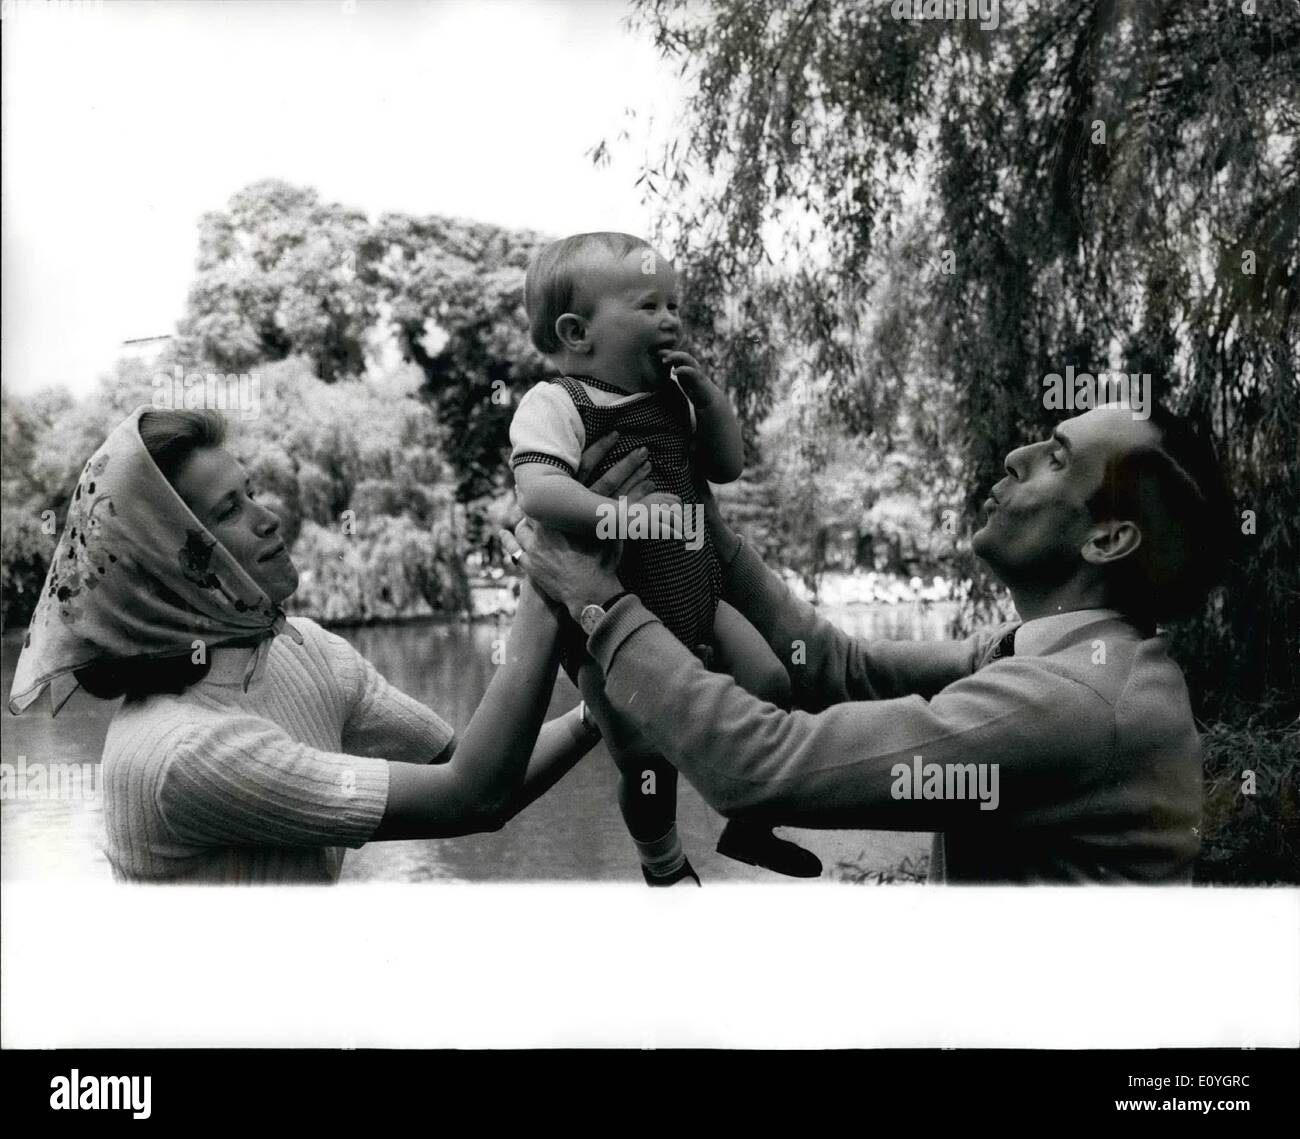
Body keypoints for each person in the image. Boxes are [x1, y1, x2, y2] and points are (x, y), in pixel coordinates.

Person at [505, 403, 1234, 883]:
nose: (1017, 452)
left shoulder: (1073, 701)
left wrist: (599, 603)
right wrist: (702, 525)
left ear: (1108, 538)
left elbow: (761, 766)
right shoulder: (1058, 655)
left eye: (1057, 458)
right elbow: (836, 668)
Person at [6, 406, 642, 884]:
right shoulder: (183, 753)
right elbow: (469, 797)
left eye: (250, 491)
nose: (268, 517)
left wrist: (598, 713)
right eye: (229, 511)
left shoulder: (299, 647)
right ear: (166, 566)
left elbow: (480, 769)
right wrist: (549, 571)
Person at [509, 231, 820, 885]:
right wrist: (620, 513)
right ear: (577, 332)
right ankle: (663, 862)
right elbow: (539, 492)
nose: (671, 319)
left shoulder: (674, 399)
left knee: (771, 684)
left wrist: (709, 400)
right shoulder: (558, 404)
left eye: (675, 305)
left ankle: (751, 825)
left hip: (698, 595)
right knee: (647, 759)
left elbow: (726, 465)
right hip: (609, 620)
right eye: (650, 306)